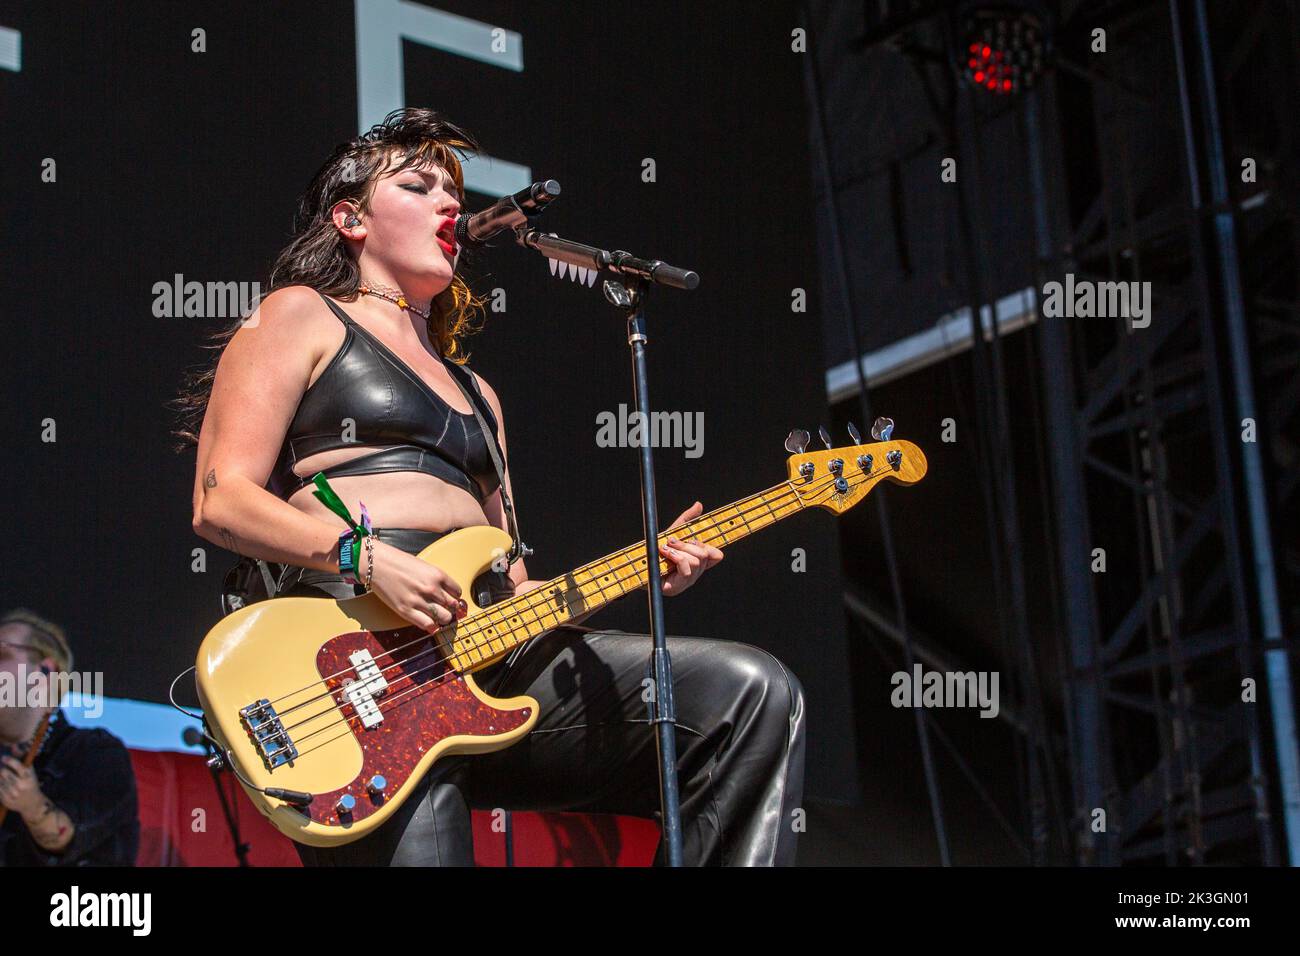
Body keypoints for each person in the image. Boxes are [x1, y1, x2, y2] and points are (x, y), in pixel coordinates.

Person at [174, 107, 806, 866]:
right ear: (350, 219)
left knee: (747, 694)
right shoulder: (299, 315)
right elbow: (221, 498)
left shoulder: (479, 394)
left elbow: (511, 587)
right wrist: (365, 559)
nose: (450, 204)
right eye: (418, 186)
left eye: (454, 191)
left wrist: (643, 571)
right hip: (352, 668)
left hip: (479, 664)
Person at [0, 608, 139, 866]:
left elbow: (69, 839)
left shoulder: (96, 753)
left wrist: (32, 806)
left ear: (45, 672)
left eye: (2, 653)